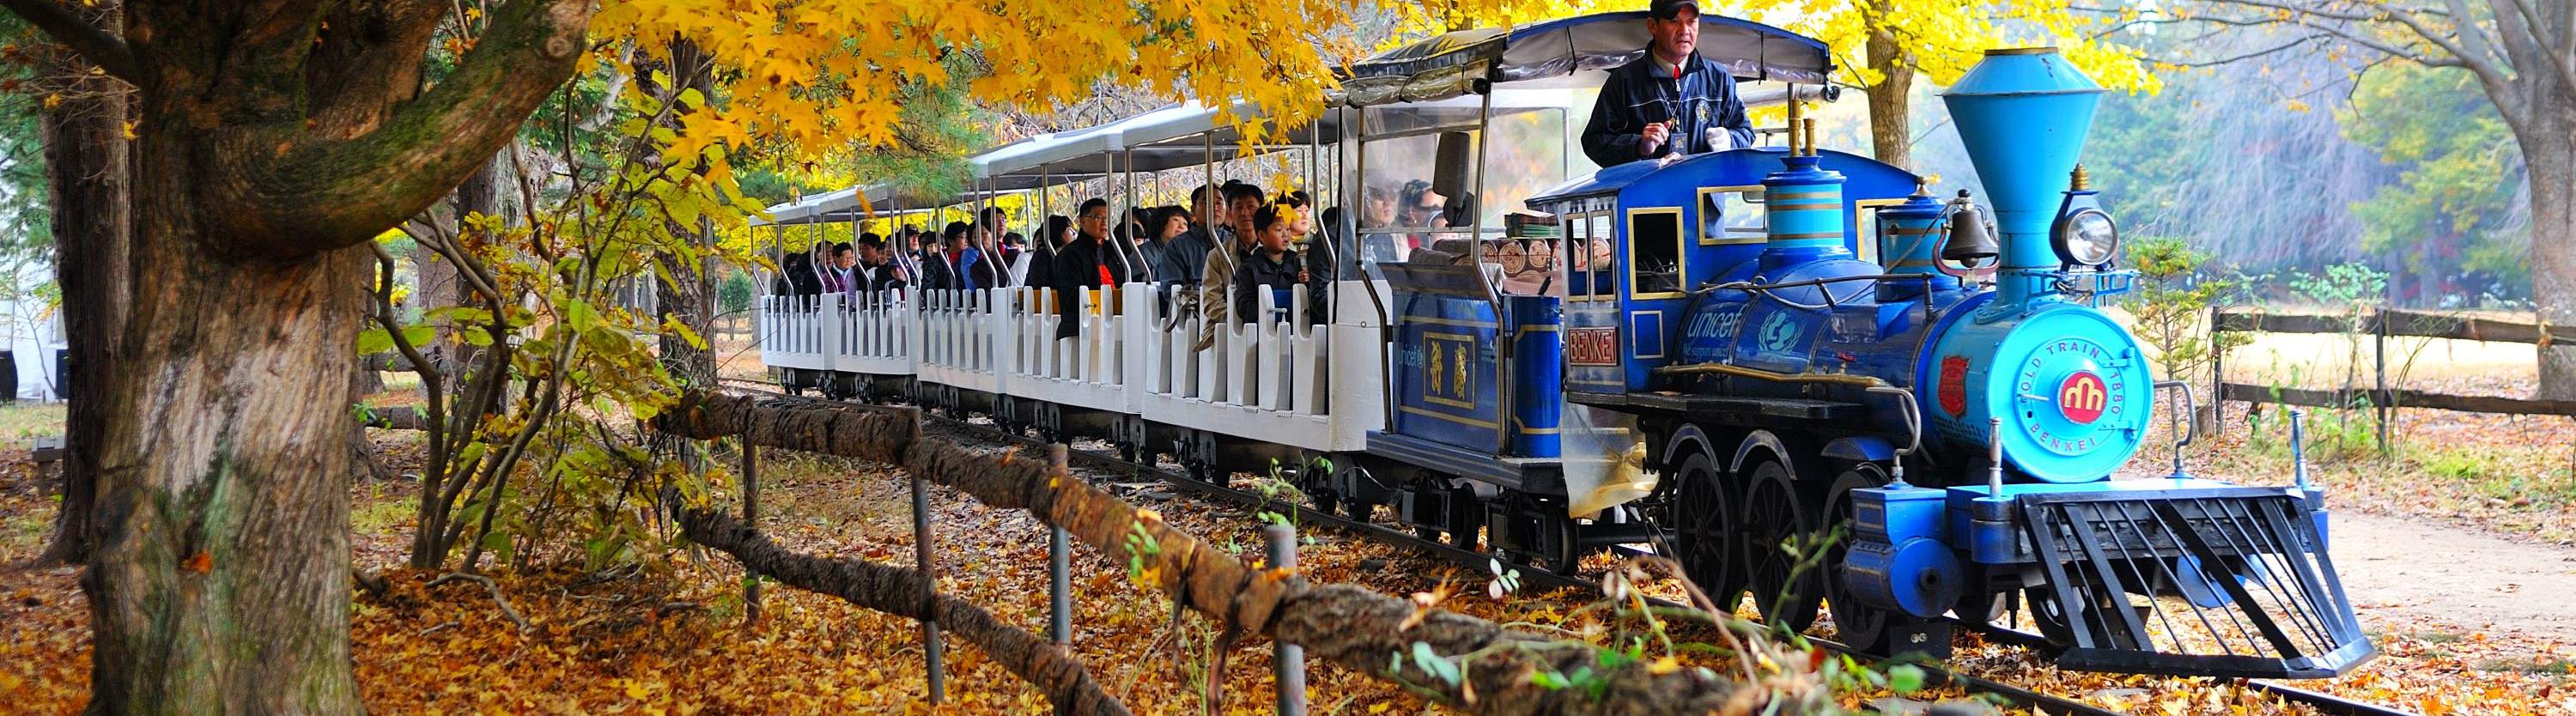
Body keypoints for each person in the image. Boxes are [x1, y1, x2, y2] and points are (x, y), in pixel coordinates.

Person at [1578, 0, 1752, 168]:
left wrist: (1730, 140)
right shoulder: (1624, 80)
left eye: (1691, 22)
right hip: (1648, 187)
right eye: (1674, 21)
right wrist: (1639, 146)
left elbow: (1745, 132)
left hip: (1707, 186)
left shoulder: (1719, 77)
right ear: (1653, 26)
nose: (1685, 31)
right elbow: (1595, 142)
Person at [1194, 182, 1266, 349]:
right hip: (1229, 332)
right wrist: (1239, 321)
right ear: (1230, 212)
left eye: (1251, 207)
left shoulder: (1280, 250)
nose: (1245, 213)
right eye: (1238, 207)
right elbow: (1212, 301)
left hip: (1272, 328)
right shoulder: (1218, 256)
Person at [1053, 198, 1131, 338]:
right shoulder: (1070, 255)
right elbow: (1071, 295)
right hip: (1081, 325)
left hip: (1117, 319)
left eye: (1108, 217)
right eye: (1098, 217)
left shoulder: (1114, 251)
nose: (1104, 222)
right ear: (1082, 221)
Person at [1234, 203, 1312, 324]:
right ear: (1262, 236)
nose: (1285, 234)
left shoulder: (1298, 263)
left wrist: (1306, 283)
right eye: (1279, 230)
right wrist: (1269, 311)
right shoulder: (1249, 269)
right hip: (1263, 329)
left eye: (1288, 229)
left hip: (1297, 326)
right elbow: (1244, 306)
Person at [1162, 185, 1222, 287]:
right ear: (1193, 209)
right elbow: (1173, 288)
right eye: (1207, 203)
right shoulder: (1177, 246)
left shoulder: (1233, 242)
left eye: (1219, 203)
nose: (1215, 208)